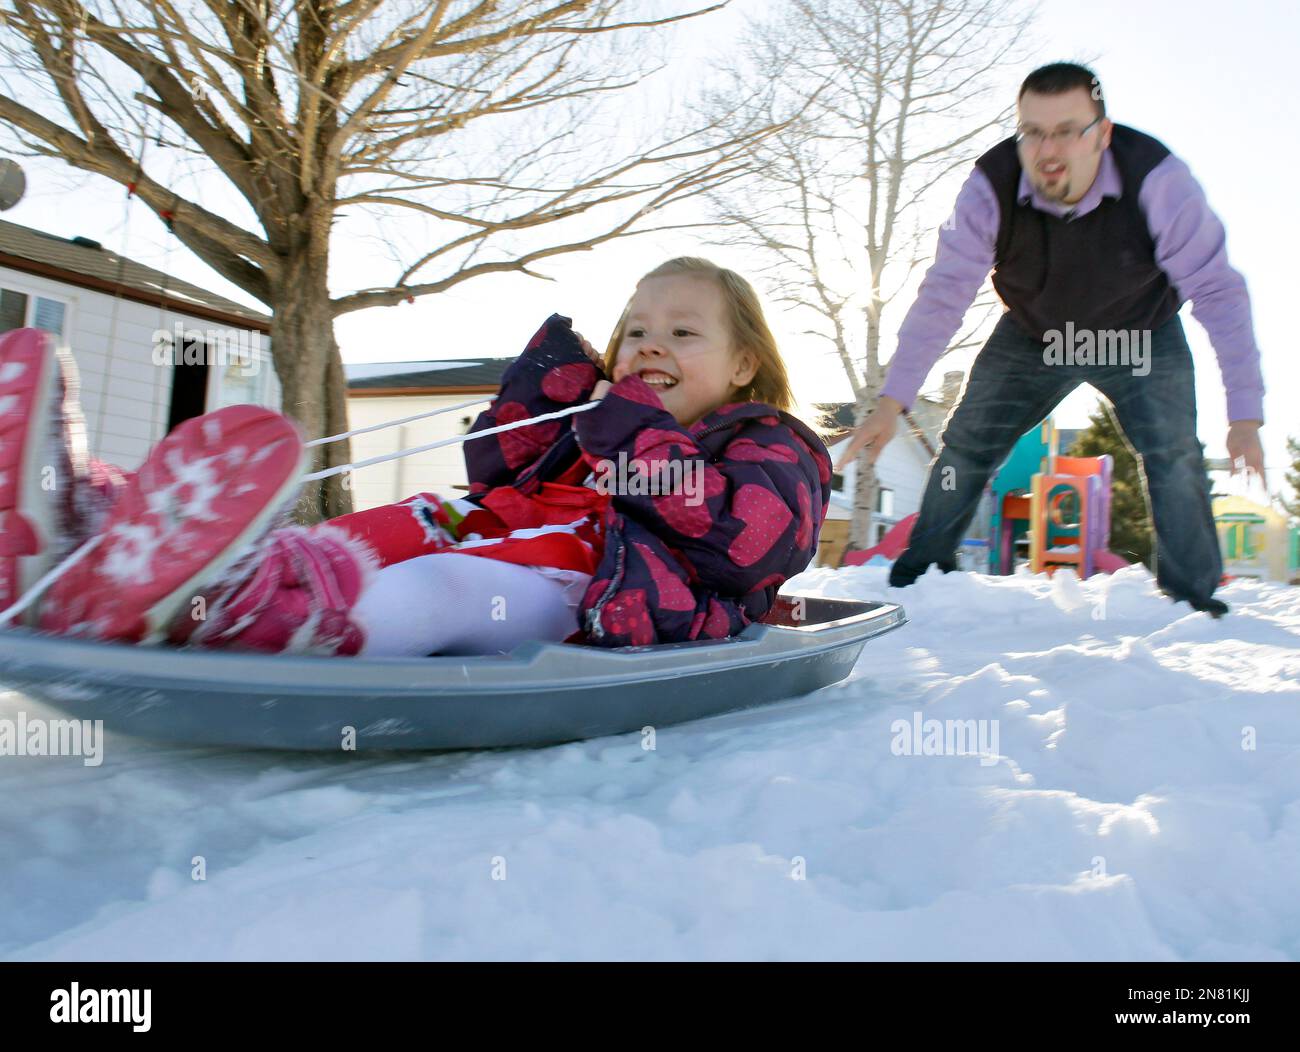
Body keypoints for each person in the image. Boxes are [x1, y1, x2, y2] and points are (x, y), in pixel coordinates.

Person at [0, 257, 831, 654]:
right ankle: (98, 541)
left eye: (682, 333)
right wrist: (541, 400)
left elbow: (746, 543)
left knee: (447, 587)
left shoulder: (771, 444)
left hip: (608, 587)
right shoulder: (602, 422)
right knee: (367, 535)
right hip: (511, 533)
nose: (650, 346)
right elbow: (504, 477)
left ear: (743, 364)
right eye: (636, 331)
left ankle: (284, 624)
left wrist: (642, 437)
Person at [836, 63, 1266, 616]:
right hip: (1035, 334)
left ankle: (1194, 600)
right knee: (965, 446)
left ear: (1102, 134)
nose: (1048, 149)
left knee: (1174, 453)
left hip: (1139, 335)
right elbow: (944, 294)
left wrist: (1245, 416)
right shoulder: (990, 187)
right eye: (1032, 132)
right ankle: (919, 581)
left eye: (1068, 130)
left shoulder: (1158, 180)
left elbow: (1219, 292)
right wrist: (893, 400)